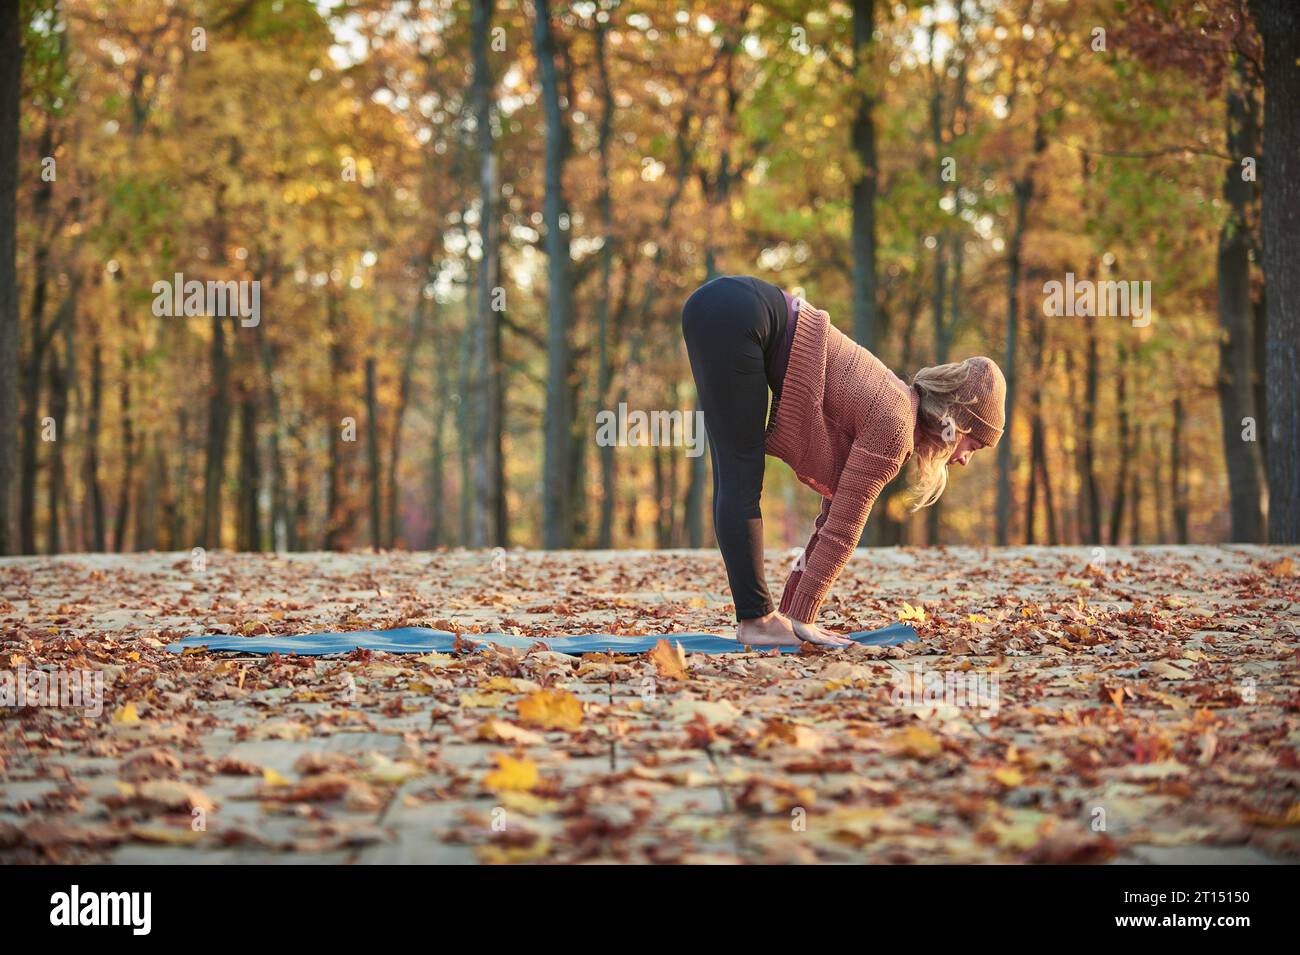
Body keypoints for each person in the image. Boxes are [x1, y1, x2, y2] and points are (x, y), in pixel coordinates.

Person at [680, 275, 1006, 648]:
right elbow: (842, 529)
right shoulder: (895, 428)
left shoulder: (897, 405)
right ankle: (756, 620)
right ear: (956, 421)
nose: (964, 459)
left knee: (734, 475)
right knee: (739, 477)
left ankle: (760, 618)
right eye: (973, 445)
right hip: (740, 315)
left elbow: (829, 520)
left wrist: (794, 611)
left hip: (724, 305)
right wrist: (804, 619)